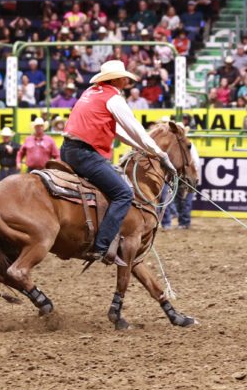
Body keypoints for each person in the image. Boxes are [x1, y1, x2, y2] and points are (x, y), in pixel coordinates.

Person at [60, 59, 176, 265]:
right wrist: (160, 153)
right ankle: (101, 246)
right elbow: (135, 129)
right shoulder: (113, 98)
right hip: (86, 154)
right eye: (124, 77)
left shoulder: (91, 93)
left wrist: (143, 148)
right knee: (123, 193)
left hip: (68, 150)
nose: (126, 80)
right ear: (116, 79)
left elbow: (119, 131)